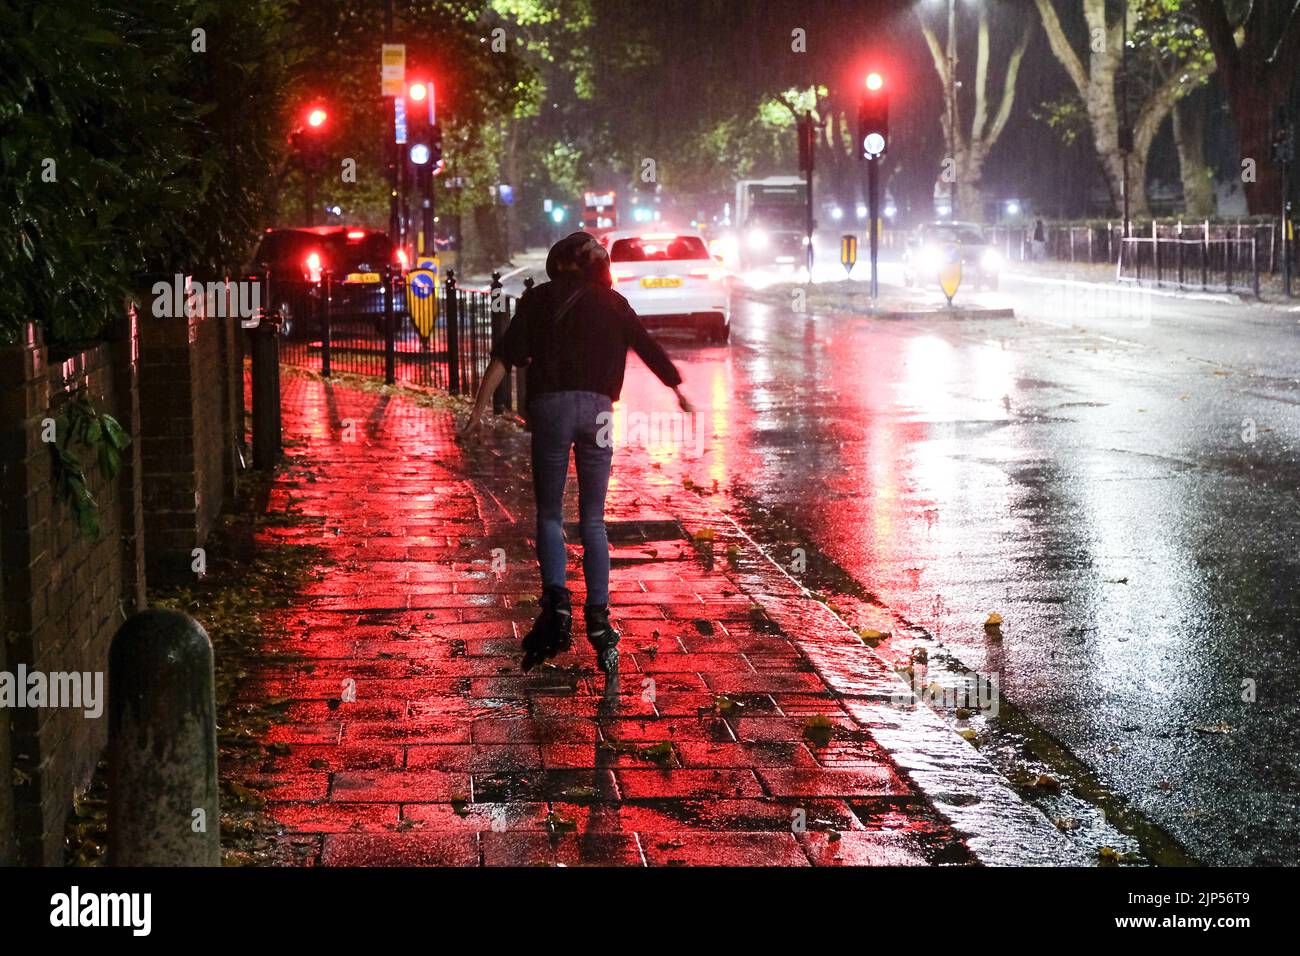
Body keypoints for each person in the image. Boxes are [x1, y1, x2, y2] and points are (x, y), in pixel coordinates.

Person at [459, 231, 692, 677]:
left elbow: (504, 359)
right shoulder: (614, 303)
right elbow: (648, 347)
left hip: (550, 409)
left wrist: (477, 414)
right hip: (599, 413)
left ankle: (558, 606)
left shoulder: (540, 300)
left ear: (559, 264)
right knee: (592, 519)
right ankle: (599, 618)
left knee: (549, 514)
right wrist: (676, 389)